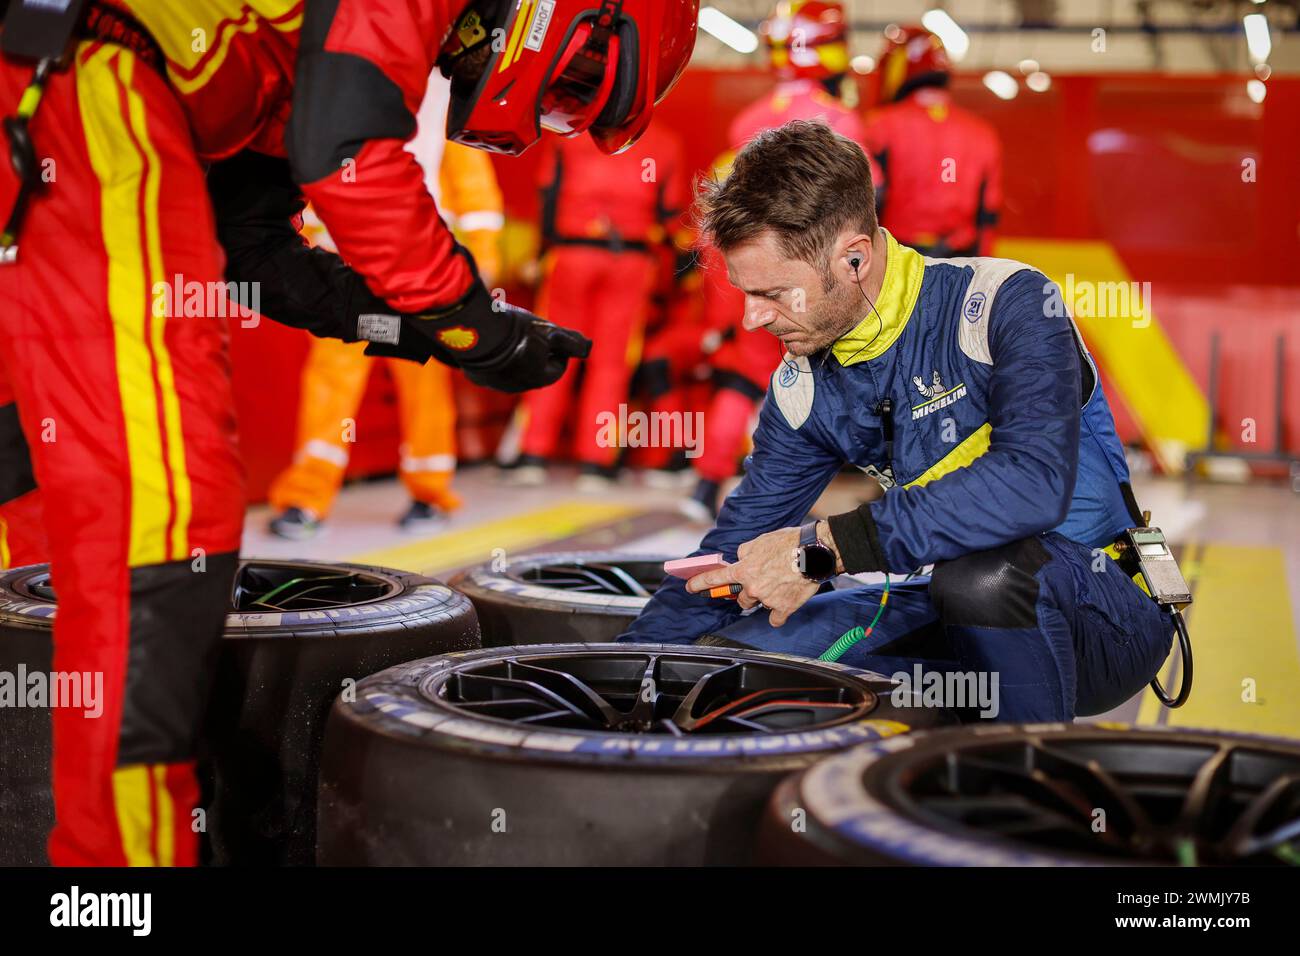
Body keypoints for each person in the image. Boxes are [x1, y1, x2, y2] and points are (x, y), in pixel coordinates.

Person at [0, 0, 697, 866]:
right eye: (576, 88)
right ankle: (117, 884)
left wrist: (436, 332)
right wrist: (470, 321)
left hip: (49, 99)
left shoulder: (270, 54)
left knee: (27, 458)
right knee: (164, 515)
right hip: (86, 92)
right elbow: (351, 160)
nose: (554, 111)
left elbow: (253, 255)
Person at [620, 120, 1174, 723]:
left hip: (1105, 619)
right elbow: (734, 549)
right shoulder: (803, 384)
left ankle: (1024, 790)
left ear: (853, 258)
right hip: (951, 605)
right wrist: (622, 677)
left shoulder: (1003, 303)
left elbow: (1029, 486)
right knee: (735, 668)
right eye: (745, 293)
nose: (751, 319)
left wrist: (822, 550)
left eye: (774, 293)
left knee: (982, 576)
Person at [268, 76, 505, 539]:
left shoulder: (442, 90)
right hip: (346, 264)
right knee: (331, 383)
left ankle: (429, 491)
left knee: (424, 382)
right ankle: (306, 496)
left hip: (421, 265)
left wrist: (481, 259)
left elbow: (472, 184)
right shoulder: (344, 84)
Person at [686, 0, 875, 519]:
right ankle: (787, 497)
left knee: (742, 380)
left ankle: (706, 487)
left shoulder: (749, 120)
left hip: (744, 274)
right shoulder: (843, 121)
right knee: (816, 380)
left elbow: (723, 211)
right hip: (811, 276)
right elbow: (865, 207)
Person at [511, 122, 688, 488]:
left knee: (552, 349)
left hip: (570, 255)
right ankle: (596, 463)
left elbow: (547, 196)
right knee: (612, 362)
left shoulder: (568, 134)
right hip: (631, 261)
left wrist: (539, 255)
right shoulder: (665, 141)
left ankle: (533, 454)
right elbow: (670, 216)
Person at [866, 24, 1002, 257]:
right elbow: (988, 214)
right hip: (961, 258)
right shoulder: (982, 132)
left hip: (896, 258)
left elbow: (867, 199)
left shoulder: (880, 125)